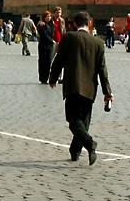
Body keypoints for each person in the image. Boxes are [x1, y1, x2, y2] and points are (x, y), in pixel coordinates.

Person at [49, 11, 112, 165]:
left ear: (75, 24)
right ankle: (75, 152)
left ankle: (90, 143)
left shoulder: (69, 38)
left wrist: (52, 77)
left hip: (73, 86)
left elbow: (59, 60)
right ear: (89, 23)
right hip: (90, 89)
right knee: (83, 122)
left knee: (73, 120)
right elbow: (102, 69)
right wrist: (107, 92)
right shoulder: (98, 43)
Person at [36, 10, 55, 84]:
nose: (49, 18)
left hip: (50, 46)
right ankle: (42, 78)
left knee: (48, 61)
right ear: (44, 17)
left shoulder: (51, 24)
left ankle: (46, 78)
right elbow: (44, 35)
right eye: (47, 16)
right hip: (43, 45)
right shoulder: (41, 24)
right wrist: (51, 40)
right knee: (42, 61)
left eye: (50, 16)